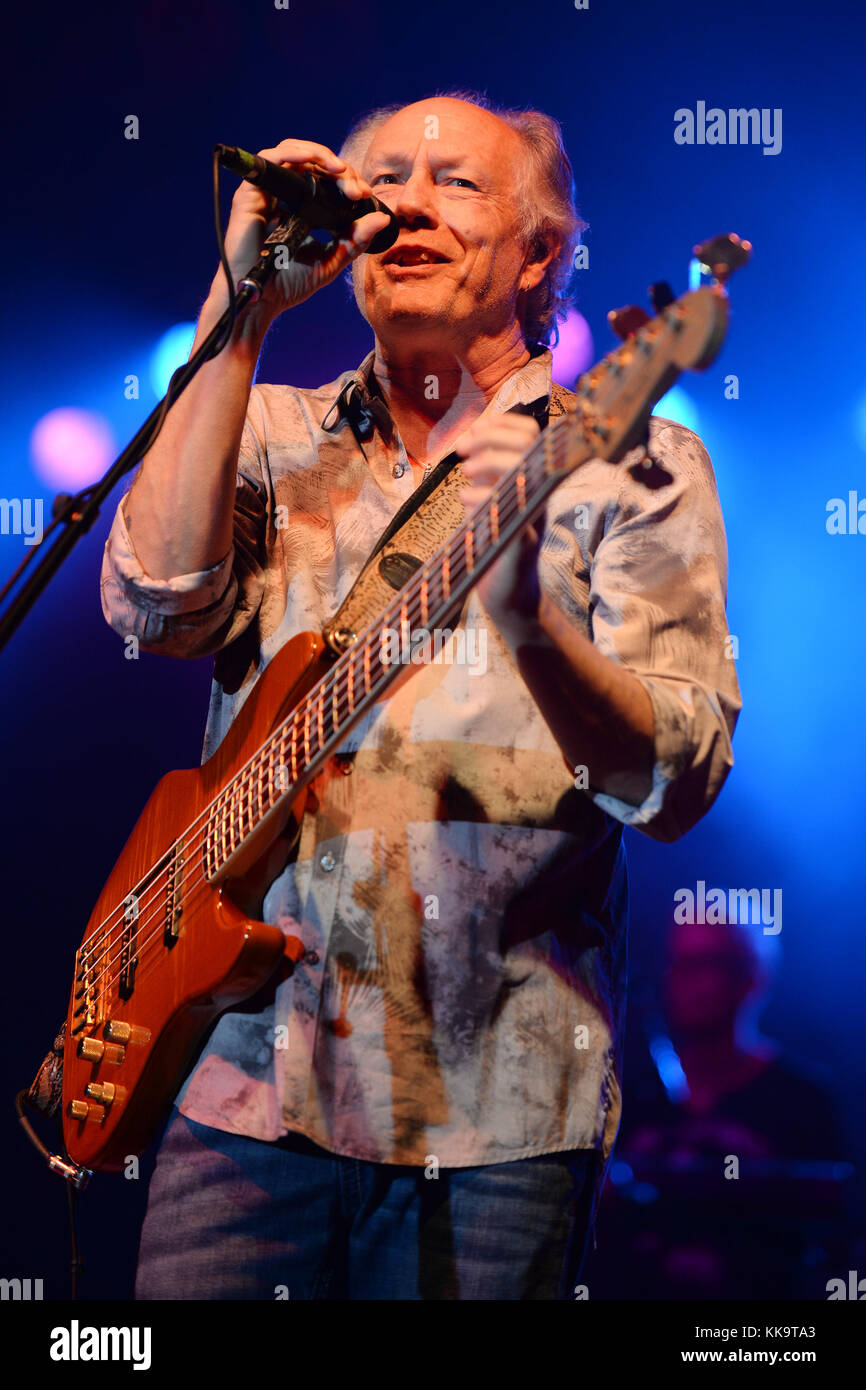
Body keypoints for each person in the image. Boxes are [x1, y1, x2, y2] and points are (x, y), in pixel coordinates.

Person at [101, 91, 742, 1300]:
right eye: (381, 176)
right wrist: (236, 312)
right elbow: (156, 602)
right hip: (236, 1084)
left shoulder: (628, 459)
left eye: (455, 183)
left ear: (540, 253)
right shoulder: (273, 431)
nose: (404, 200)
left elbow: (673, 775)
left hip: (491, 1116)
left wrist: (522, 621)